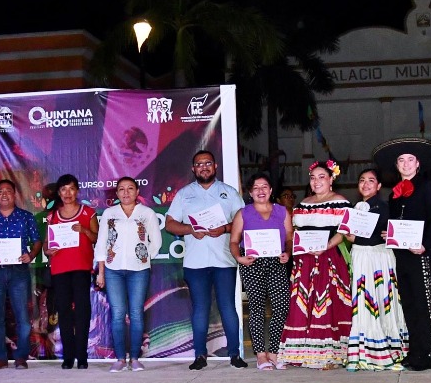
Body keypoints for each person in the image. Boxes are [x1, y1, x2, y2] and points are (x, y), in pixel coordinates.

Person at [164, 150, 247, 369]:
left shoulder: (228, 192)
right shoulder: (184, 194)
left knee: (228, 307)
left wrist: (226, 228)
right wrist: (189, 230)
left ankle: (234, 354)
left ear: (215, 166)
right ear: (193, 169)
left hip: (224, 261)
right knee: (200, 308)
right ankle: (200, 355)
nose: (204, 167)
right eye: (199, 164)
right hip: (195, 262)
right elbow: (170, 223)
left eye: (207, 163)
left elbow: (244, 221)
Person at [374, 136, 431, 372]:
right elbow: (397, 223)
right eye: (401, 160)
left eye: (410, 160)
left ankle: (428, 354)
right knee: (410, 305)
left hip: (420, 253)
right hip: (401, 255)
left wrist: (424, 244)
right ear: (397, 165)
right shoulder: (394, 194)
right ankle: (414, 352)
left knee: (424, 304)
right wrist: (389, 234)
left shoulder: (428, 186)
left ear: (417, 164)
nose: (405, 164)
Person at [277, 160, 353, 369]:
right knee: (304, 302)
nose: (317, 181)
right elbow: (295, 233)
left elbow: (346, 230)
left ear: (331, 179)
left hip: (330, 258)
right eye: (313, 178)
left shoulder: (340, 202)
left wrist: (327, 245)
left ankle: (332, 354)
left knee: (329, 302)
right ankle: (303, 351)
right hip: (305, 261)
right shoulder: (303, 205)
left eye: (321, 177)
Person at [343, 168, 408, 370]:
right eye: (362, 180)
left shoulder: (383, 206)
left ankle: (383, 348)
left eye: (371, 180)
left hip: (377, 257)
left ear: (378, 186)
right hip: (361, 256)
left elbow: (375, 235)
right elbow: (352, 234)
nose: (366, 184)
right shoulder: (356, 207)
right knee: (361, 302)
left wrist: (355, 236)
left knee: (378, 300)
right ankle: (362, 351)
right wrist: (353, 236)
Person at [229, 172, 293, 370]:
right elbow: (233, 240)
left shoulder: (282, 211)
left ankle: (274, 352)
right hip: (252, 263)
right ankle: (261, 355)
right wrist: (239, 258)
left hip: (276, 263)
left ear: (271, 190)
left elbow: (290, 236)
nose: (261, 191)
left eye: (264, 186)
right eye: (256, 188)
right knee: (256, 308)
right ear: (250, 192)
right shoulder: (243, 213)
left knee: (281, 306)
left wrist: (288, 253)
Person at [96, 177, 161, 371]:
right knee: (117, 314)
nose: (126, 193)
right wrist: (101, 273)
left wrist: (142, 257)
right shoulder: (109, 213)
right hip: (113, 270)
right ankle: (120, 359)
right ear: (116, 194)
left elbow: (156, 242)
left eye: (130, 189)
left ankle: (134, 358)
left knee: (136, 313)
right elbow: (101, 244)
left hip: (138, 271)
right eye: (121, 189)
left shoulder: (146, 213)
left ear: (137, 191)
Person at [0, 179, 42, 369]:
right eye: (0, 191)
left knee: (22, 315)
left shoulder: (26, 217)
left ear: (15, 195)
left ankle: (21, 357)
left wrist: (30, 255)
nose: (4, 194)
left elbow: (37, 241)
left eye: (8, 191)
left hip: (18, 271)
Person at [45, 173, 99, 369]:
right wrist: (48, 250)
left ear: (77, 191)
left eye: (71, 189)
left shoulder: (88, 212)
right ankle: (68, 356)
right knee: (64, 313)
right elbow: (46, 245)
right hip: (60, 269)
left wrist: (84, 231)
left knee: (83, 312)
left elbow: (96, 239)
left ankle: (82, 355)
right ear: (58, 193)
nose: (67, 193)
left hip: (81, 268)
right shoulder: (53, 216)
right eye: (63, 189)